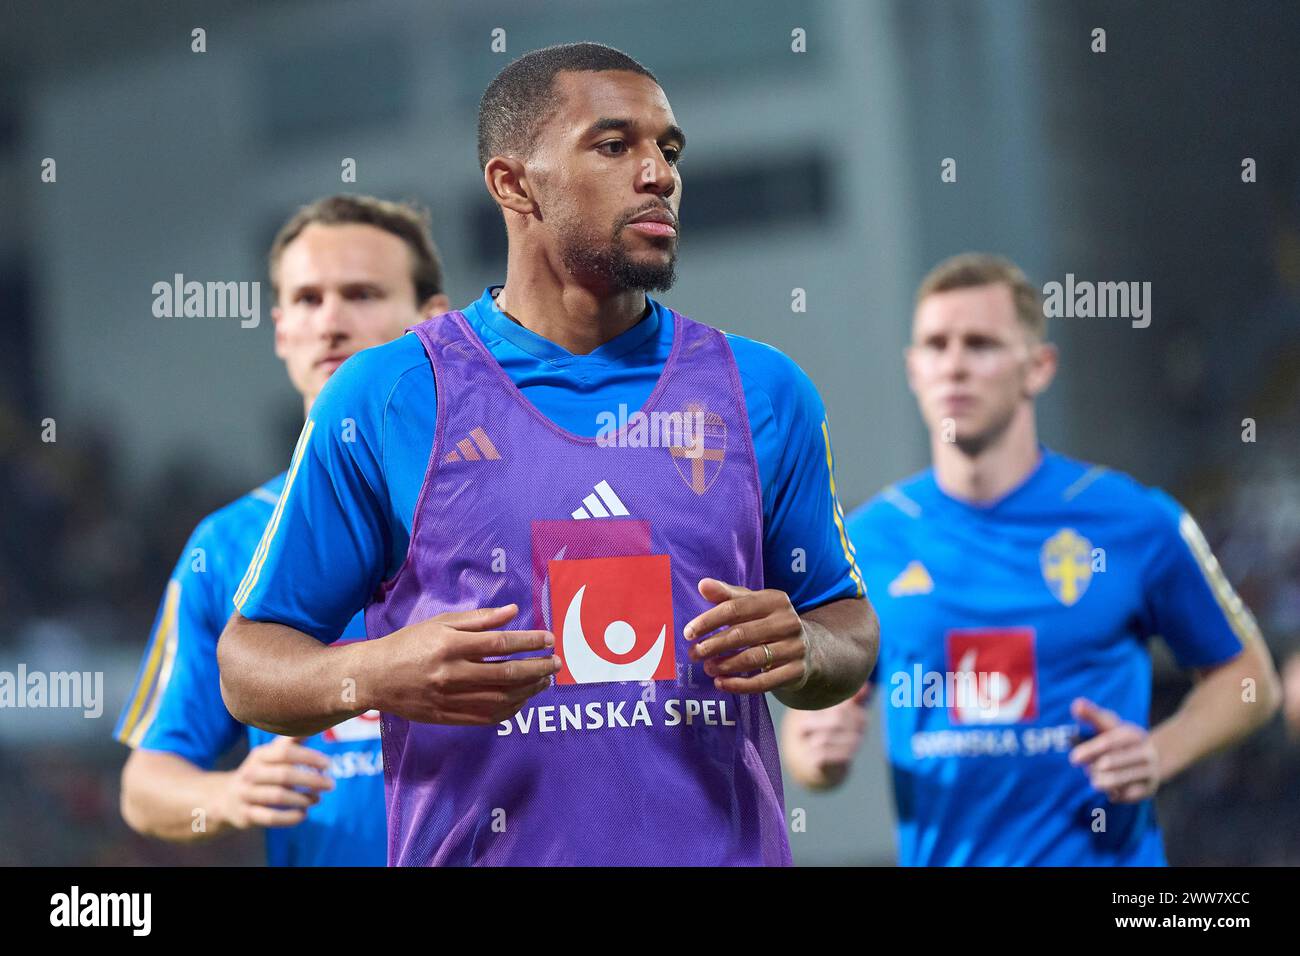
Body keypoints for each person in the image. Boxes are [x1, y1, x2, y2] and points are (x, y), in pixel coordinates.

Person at [217, 42, 877, 866]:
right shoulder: (389, 396)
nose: (658, 174)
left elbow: (847, 626)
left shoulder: (764, 391)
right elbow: (249, 663)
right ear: (513, 183)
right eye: (615, 145)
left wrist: (809, 651)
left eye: (668, 150)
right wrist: (380, 672)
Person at [782, 252, 1281, 865]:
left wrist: (1161, 751)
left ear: (1038, 367)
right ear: (913, 369)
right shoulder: (865, 542)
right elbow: (814, 739)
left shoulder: (1134, 522)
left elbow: (1250, 678)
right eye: (936, 346)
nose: (955, 366)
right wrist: (817, 755)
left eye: (981, 344)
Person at [116, 195, 449, 865]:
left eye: (361, 294)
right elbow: (145, 786)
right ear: (279, 330)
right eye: (305, 300)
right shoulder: (227, 544)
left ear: (432, 321)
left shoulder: (509, 504)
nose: (329, 322)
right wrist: (230, 794)